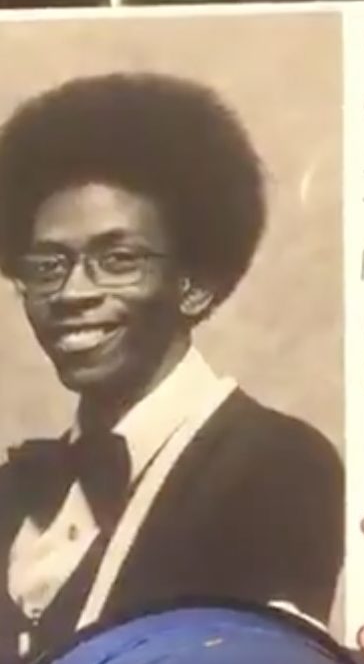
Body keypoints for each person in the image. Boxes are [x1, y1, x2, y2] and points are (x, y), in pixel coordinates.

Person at [0, 75, 345, 664]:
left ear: (194, 287)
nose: (72, 292)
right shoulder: (16, 491)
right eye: (48, 265)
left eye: (117, 260)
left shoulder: (277, 468)